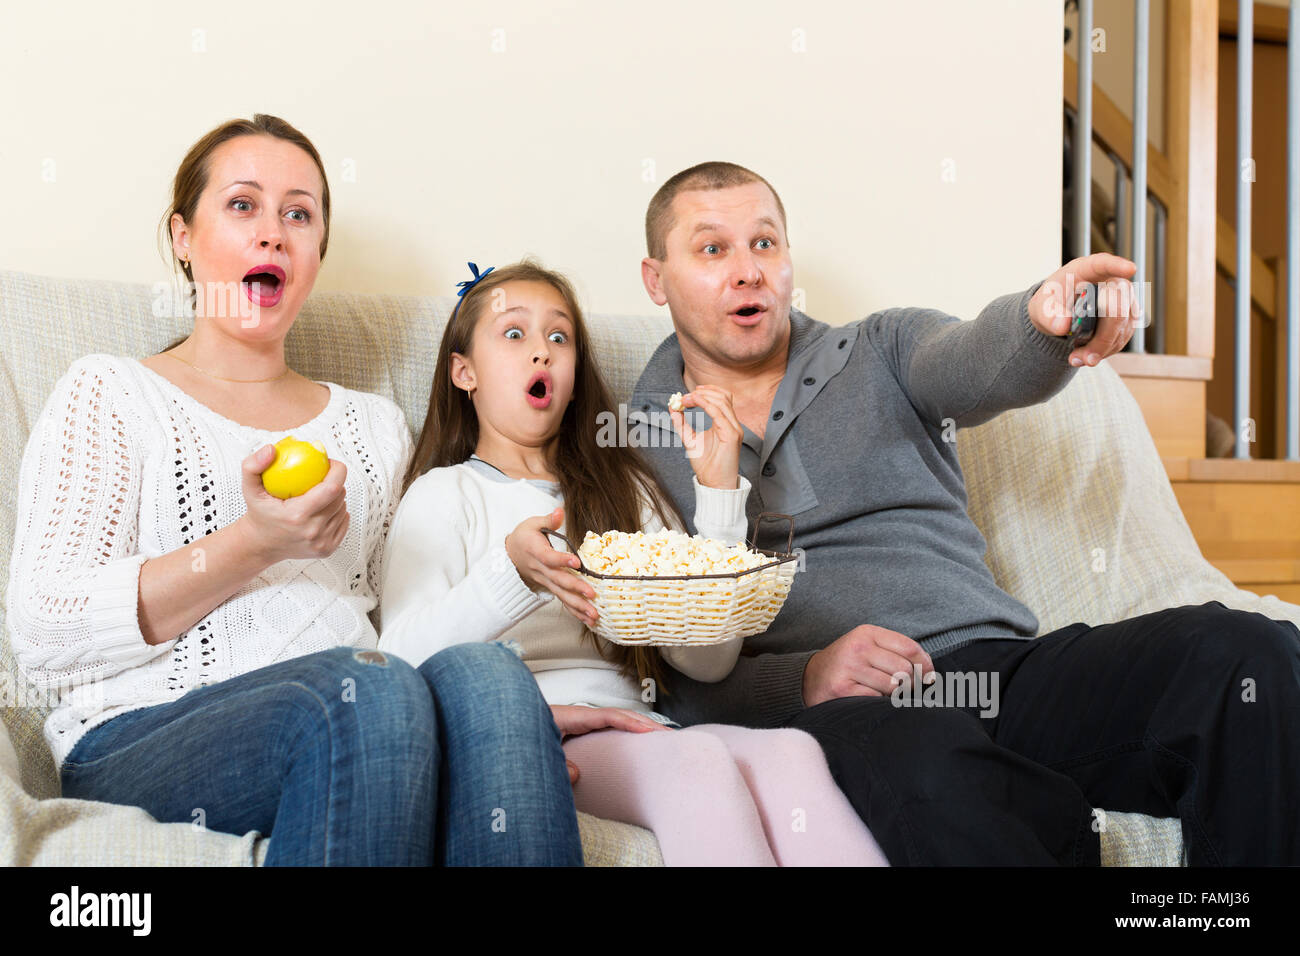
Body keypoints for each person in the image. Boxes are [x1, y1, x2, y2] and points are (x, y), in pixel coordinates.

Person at [626, 160, 1300, 866]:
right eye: (712, 249)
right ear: (655, 278)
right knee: (924, 763)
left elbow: (972, 360)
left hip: (1002, 673)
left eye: (765, 243)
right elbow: (662, 676)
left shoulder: (878, 348)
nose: (747, 270)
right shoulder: (629, 448)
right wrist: (802, 679)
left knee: (1246, 655)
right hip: (850, 718)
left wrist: (1042, 319)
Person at [5, 115, 582, 866]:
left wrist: (507, 728)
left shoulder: (375, 428)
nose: (273, 232)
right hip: (148, 732)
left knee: (488, 674)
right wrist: (253, 544)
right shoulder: (112, 393)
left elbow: (407, 634)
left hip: (369, 718)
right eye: (243, 205)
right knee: (364, 693)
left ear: (314, 255)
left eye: (299, 214)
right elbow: (44, 635)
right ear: (183, 237)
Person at [378, 259, 888, 866]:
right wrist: (509, 574)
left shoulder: (626, 493)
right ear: (465, 372)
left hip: (639, 724)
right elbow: (398, 662)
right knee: (697, 762)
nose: (541, 352)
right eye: (514, 334)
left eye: (559, 337)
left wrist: (720, 490)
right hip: (531, 735)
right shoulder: (445, 494)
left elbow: (705, 663)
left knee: (792, 754)